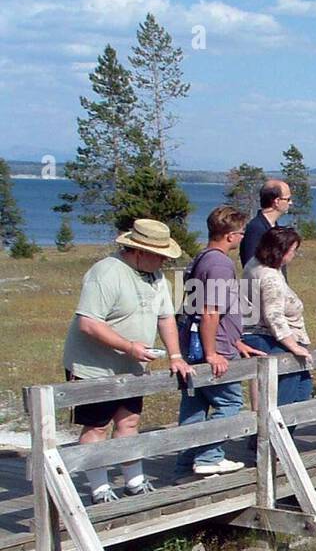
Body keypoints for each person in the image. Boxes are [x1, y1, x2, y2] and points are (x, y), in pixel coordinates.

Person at [61, 218, 193, 503]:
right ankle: (99, 487)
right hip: (94, 366)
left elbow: (165, 317)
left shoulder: (156, 277)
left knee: (129, 422)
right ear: (137, 251)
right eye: (158, 255)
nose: (162, 261)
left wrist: (175, 355)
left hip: (132, 366)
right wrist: (128, 346)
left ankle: (134, 480)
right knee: (97, 426)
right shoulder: (106, 273)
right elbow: (89, 323)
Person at [175, 206, 266, 478]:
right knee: (229, 403)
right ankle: (209, 456)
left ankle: (186, 462)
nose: (241, 239)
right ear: (229, 236)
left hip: (205, 344)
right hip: (214, 349)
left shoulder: (200, 258)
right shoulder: (219, 264)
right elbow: (211, 311)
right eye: (240, 234)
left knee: (196, 404)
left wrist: (236, 340)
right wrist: (212, 351)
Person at [242, 227, 314, 406]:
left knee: (302, 387)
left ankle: (278, 432)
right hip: (270, 339)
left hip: (255, 333)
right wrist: (293, 346)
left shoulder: (254, 263)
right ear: (279, 251)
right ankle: (275, 433)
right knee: (288, 396)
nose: (294, 255)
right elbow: (273, 315)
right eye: (292, 251)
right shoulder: (270, 277)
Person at [240, 180, 292, 269]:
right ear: (277, 201)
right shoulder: (256, 228)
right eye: (288, 199)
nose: (290, 203)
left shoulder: (273, 226)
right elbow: (251, 266)